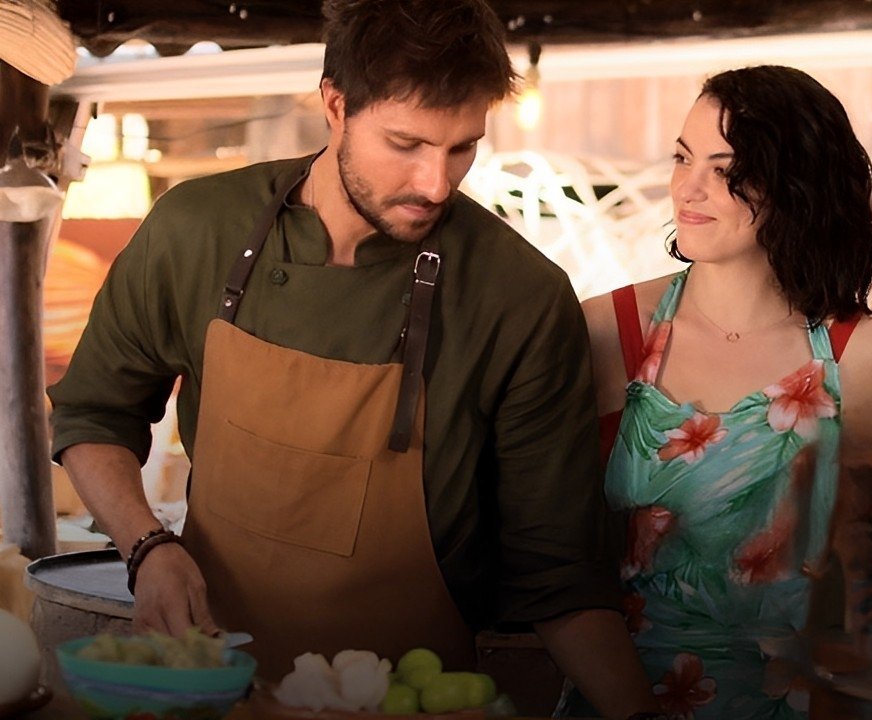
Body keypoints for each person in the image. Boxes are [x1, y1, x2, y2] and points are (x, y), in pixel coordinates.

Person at [47, 0, 660, 715]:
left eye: (462, 146)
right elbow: (93, 414)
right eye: (406, 143)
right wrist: (147, 547)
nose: (437, 183)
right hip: (215, 689)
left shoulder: (520, 297)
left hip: (414, 700)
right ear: (335, 104)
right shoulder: (196, 230)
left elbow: (559, 573)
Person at [580, 65, 872, 717]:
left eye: (725, 167)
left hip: (804, 704)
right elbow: (551, 553)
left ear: (796, 186)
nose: (689, 187)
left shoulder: (867, 355)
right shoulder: (607, 329)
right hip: (625, 702)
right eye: (683, 159)